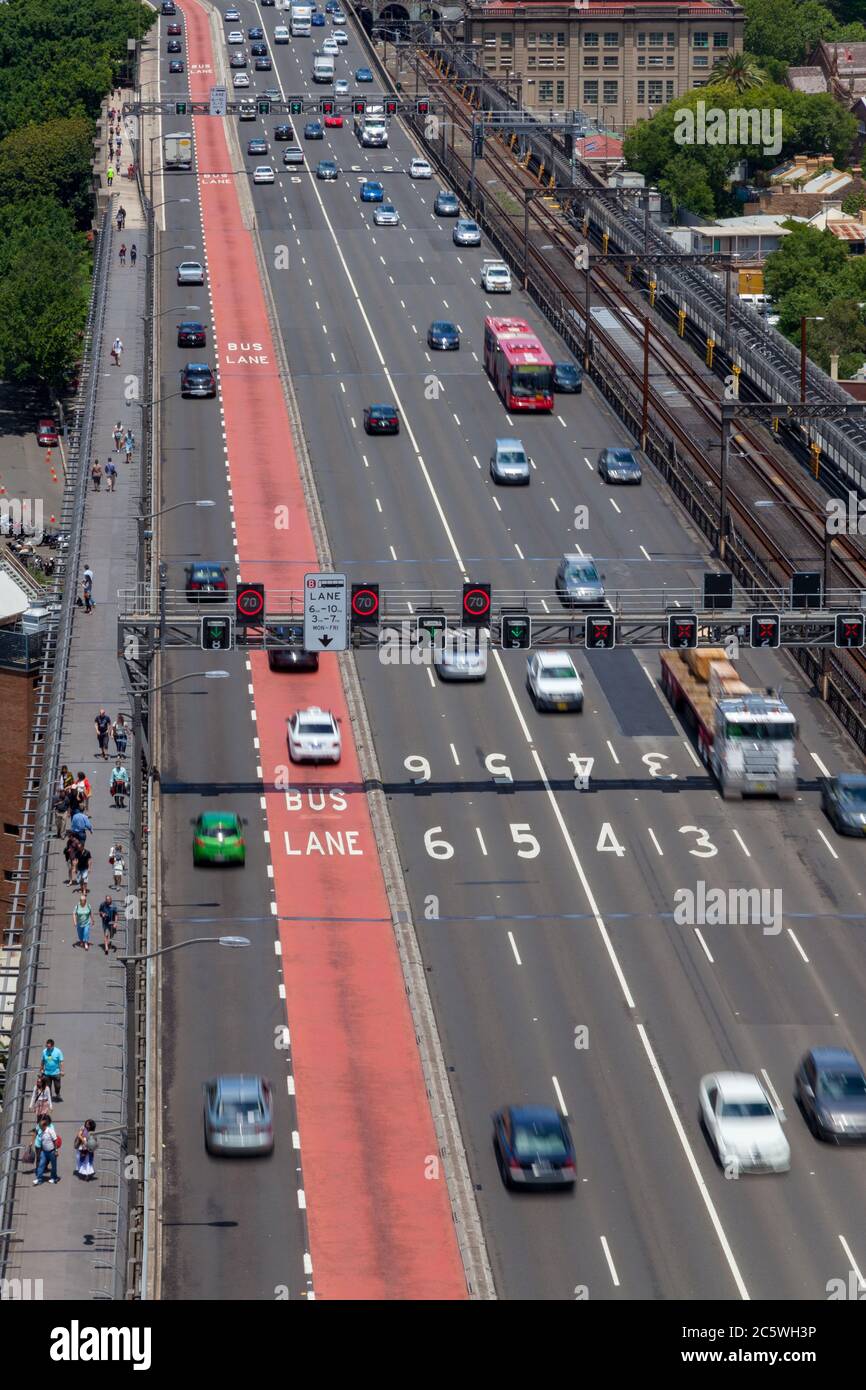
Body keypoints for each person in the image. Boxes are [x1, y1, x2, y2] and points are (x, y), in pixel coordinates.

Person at [33, 1116, 60, 1185]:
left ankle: (54, 1178)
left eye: (41, 1127)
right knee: (41, 1164)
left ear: (45, 1126)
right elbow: (42, 1141)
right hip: (44, 1152)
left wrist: (56, 1150)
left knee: (53, 1166)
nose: (40, 1128)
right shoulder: (42, 1132)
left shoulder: (50, 1131)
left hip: (52, 1151)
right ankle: (39, 1179)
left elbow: (55, 1140)